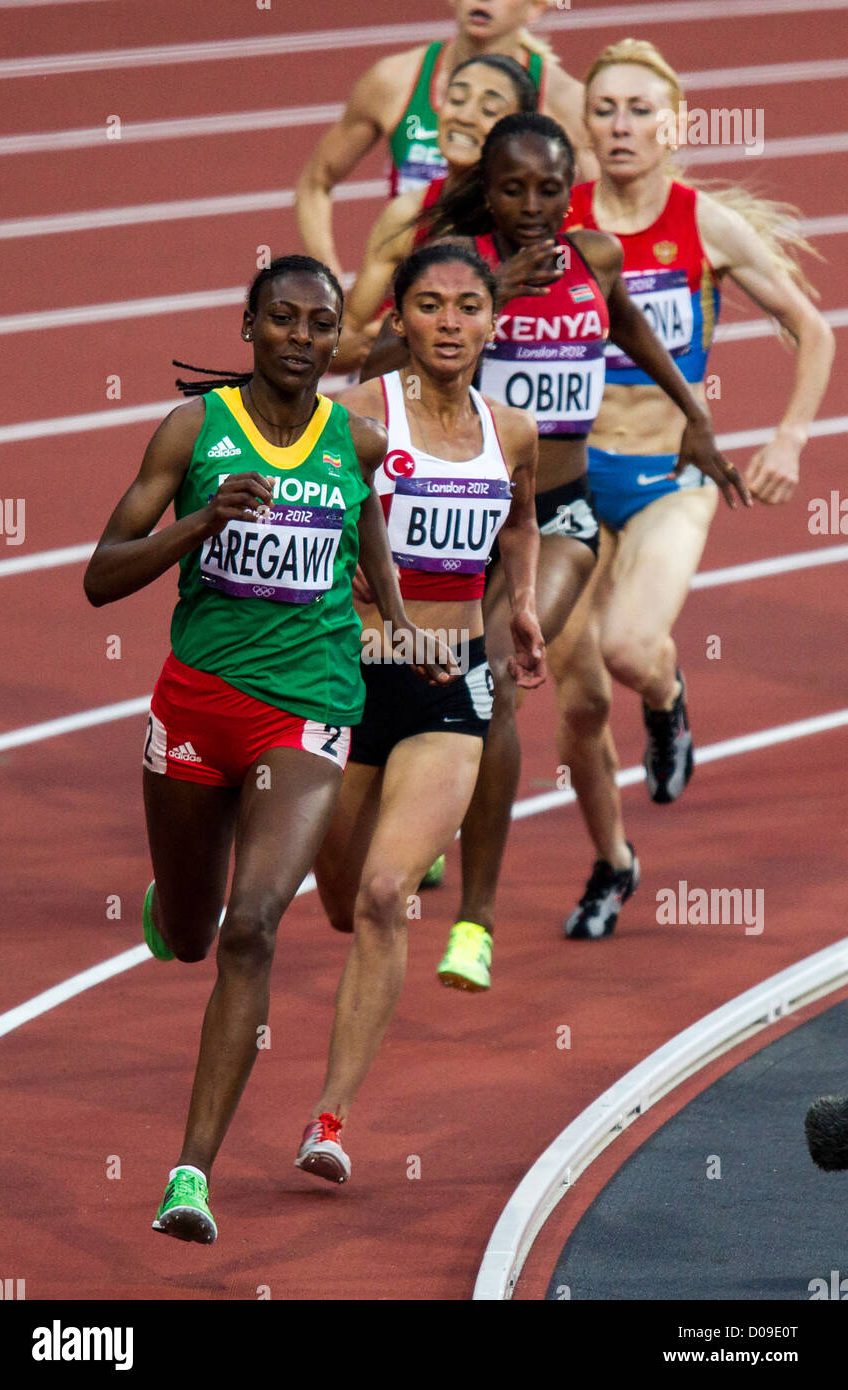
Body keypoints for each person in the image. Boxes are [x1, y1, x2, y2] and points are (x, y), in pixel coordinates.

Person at [83, 255, 447, 1244]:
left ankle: (188, 1175)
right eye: (280, 318)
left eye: (317, 323)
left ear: (335, 339)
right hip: (196, 706)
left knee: (253, 928)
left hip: (309, 706)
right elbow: (99, 577)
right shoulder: (192, 433)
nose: (299, 335)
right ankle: (177, 902)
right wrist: (202, 520)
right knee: (197, 929)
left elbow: (364, 509)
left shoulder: (352, 438)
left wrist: (397, 611)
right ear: (247, 328)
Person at [358, 111, 749, 991]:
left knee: (490, 688)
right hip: (446, 522)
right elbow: (372, 360)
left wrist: (697, 415)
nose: (532, 205)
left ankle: (475, 921)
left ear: (567, 188)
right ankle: (408, 820)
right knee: (377, 674)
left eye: (547, 188)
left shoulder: (597, 258)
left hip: (553, 512)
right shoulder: (458, 268)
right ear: (487, 190)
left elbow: (633, 332)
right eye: (512, 187)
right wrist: (491, 285)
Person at [548, 38, 834, 939]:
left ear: (675, 125)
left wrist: (788, 439)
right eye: (606, 109)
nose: (622, 125)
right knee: (582, 697)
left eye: (640, 110)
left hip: (670, 476)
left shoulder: (701, 222)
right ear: (584, 125)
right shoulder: (558, 221)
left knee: (634, 650)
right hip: (569, 485)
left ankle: (669, 707)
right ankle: (613, 863)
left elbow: (811, 328)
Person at [294, 242, 546, 1183]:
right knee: (329, 900)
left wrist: (517, 603)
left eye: (468, 305)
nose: (450, 322)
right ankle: (198, 873)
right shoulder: (358, 414)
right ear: (398, 317)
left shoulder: (512, 430)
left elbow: (521, 518)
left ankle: (331, 1120)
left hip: (450, 686)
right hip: (344, 681)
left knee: (378, 898)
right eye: (430, 305)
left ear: (493, 320)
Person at [295, 0, 594, 280]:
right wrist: (328, 278)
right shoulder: (394, 81)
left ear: (535, 7)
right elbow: (315, 183)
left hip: (515, 299)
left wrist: (557, 274)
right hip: (412, 292)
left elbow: (599, 208)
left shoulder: (563, 100)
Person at [335, 53, 538, 373]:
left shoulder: (532, 220)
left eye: (488, 110)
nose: (465, 116)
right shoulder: (407, 214)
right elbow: (342, 346)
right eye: (457, 100)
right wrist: (381, 341)